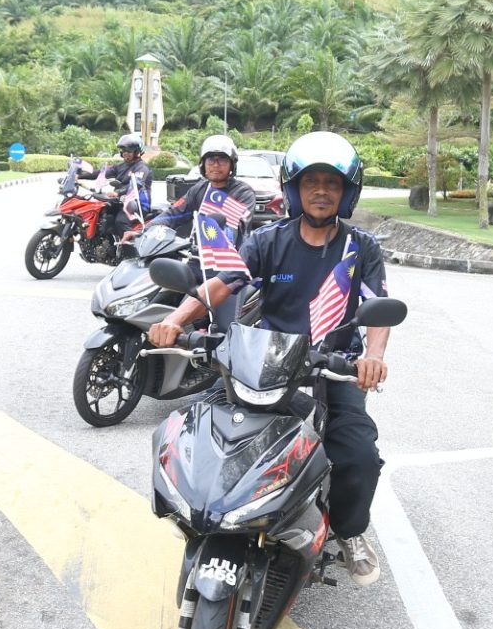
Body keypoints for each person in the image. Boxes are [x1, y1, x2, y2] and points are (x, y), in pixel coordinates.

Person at [147, 132, 391, 586]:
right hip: (266, 362)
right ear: (294, 189)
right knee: (199, 428)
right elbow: (222, 283)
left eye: (332, 183)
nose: (321, 191)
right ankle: (206, 511)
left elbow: (377, 307)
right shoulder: (267, 240)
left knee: (358, 454)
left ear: (347, 192)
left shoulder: (361, 248)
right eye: (311, 182)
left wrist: (372, 356)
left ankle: (349, 531)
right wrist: (175, 319)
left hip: (330, 366)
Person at [134, 134, 256, 243]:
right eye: (211, 159)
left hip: (230, 256)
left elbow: (236, 229)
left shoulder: (243, 193)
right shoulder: (199, 190)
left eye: (222, 160)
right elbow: (173, 213)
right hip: (198, 254)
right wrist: (144, 230)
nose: (216, 164)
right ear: (203, 165)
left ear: (232, 165)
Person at [101, 133, 155, 242]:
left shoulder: (142, 168)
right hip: (122, 202)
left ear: (137, 152)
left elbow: (136, 185)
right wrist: (81, 174)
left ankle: (131, 247)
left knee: (121, 221)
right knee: (103, 213)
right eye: (124, 151)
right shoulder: (121, 166)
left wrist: (118, 193)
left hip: (138, 205)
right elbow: (102, 173)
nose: (125, 153)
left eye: (129, 151)